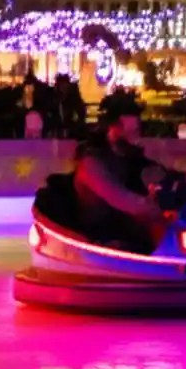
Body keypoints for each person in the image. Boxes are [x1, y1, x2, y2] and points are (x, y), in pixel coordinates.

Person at [73, 97, 174, 253]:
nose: (137, 139)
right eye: (132, 133)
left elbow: (162, 174)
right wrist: (157, 206)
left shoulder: (129, 157)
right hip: (102, 239)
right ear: (113, 129)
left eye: (137, 132)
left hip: (128, 231)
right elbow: (124, 199)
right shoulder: (92, 163)